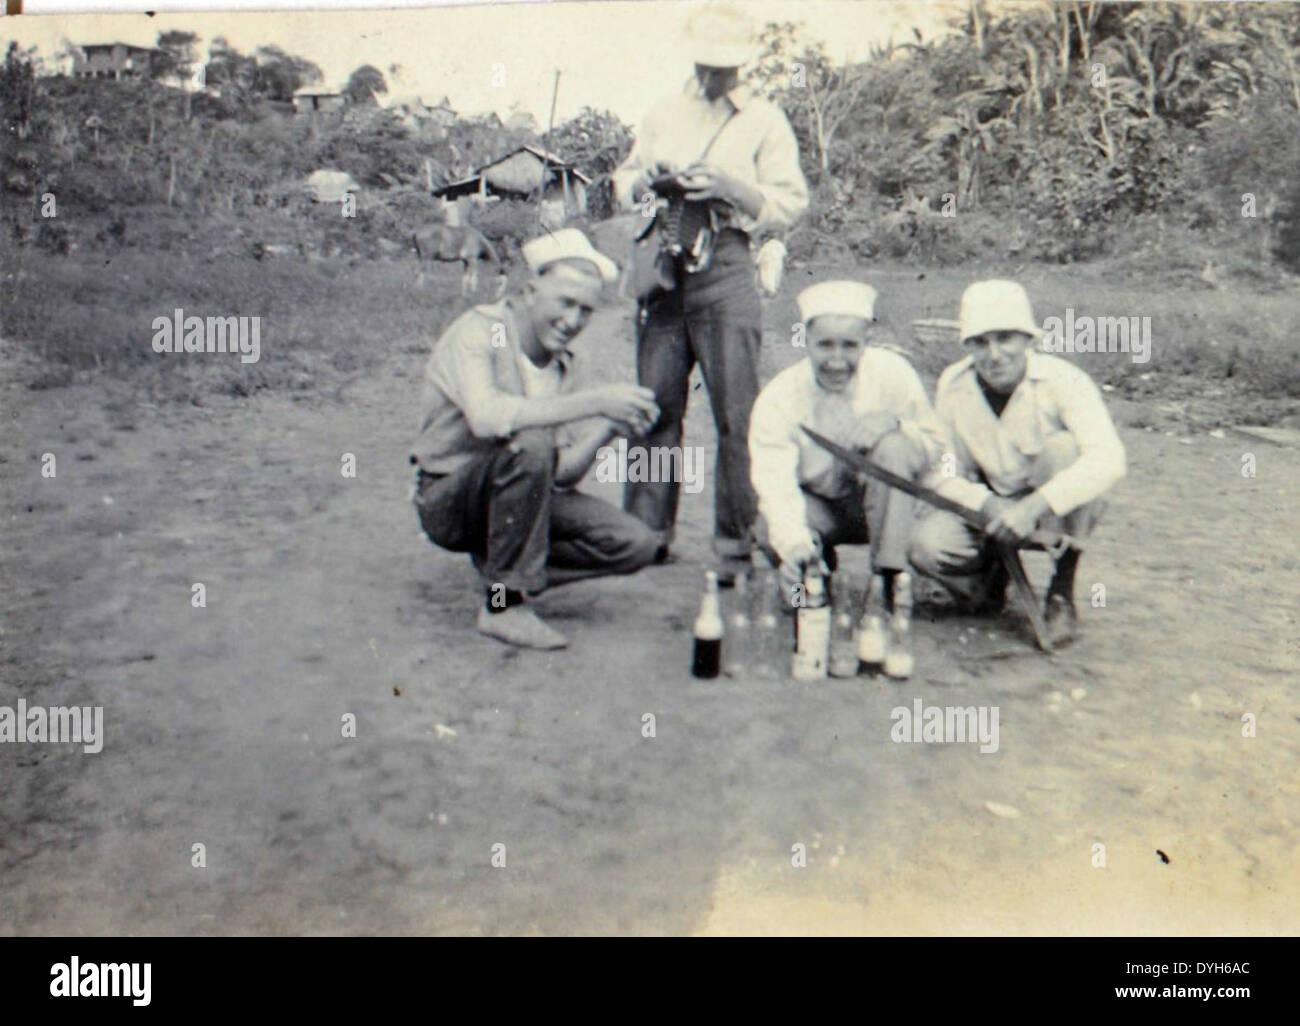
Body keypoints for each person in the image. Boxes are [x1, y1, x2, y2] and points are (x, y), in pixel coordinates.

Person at [611, 2, 809, 583]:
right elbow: (623, 181)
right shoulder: (665, 111)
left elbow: (790, 202)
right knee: (656, 406)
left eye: (722, 67)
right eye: (704, 64)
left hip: (726, 261)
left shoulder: (765, 120)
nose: (711, 75)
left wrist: (730, 185)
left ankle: (734, 544)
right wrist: (647, 179)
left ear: (743, 65)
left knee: (738, 411)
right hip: (666, 260)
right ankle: (646, 535)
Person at [411, 229, 662, 650]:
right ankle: (503, 605)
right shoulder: (481, 332)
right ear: (530, 291)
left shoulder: (565, 364)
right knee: (530, 440)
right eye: (565, 303)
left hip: (514, 498)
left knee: (636, 544)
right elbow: (489, 418)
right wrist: (596, 400)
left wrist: (608, 426)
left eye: (586, 310)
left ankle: (503, 571)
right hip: (448, 498)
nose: (573, 321)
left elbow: (558, 476)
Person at [909, 280, 1127, 645]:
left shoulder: (1065, 380)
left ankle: (1062, 587)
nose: (994, 355)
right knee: (924, 545)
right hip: (990, 509)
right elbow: (943, 470)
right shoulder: (954, 383)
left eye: (1006, 338)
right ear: (967, 346)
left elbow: (1109, 458)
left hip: (1048, 509)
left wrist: (1032, 507)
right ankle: (991, 579)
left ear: (1028, 339)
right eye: (980, 342)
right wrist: (987, 504)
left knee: (1066, 450)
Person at [748, 281, 946, 611]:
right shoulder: (780, 398)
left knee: (893, 448)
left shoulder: (893, 374)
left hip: (887, 511)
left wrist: (897, 425)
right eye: (825, 346)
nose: (837, 361)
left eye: (849, 346)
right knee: (768, 525)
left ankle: (889, 579)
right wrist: (794, 544)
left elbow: (940, 449)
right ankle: (812, 572)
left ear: (866, 342)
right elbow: (774, 482)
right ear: (805, 340)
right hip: (820, 508)